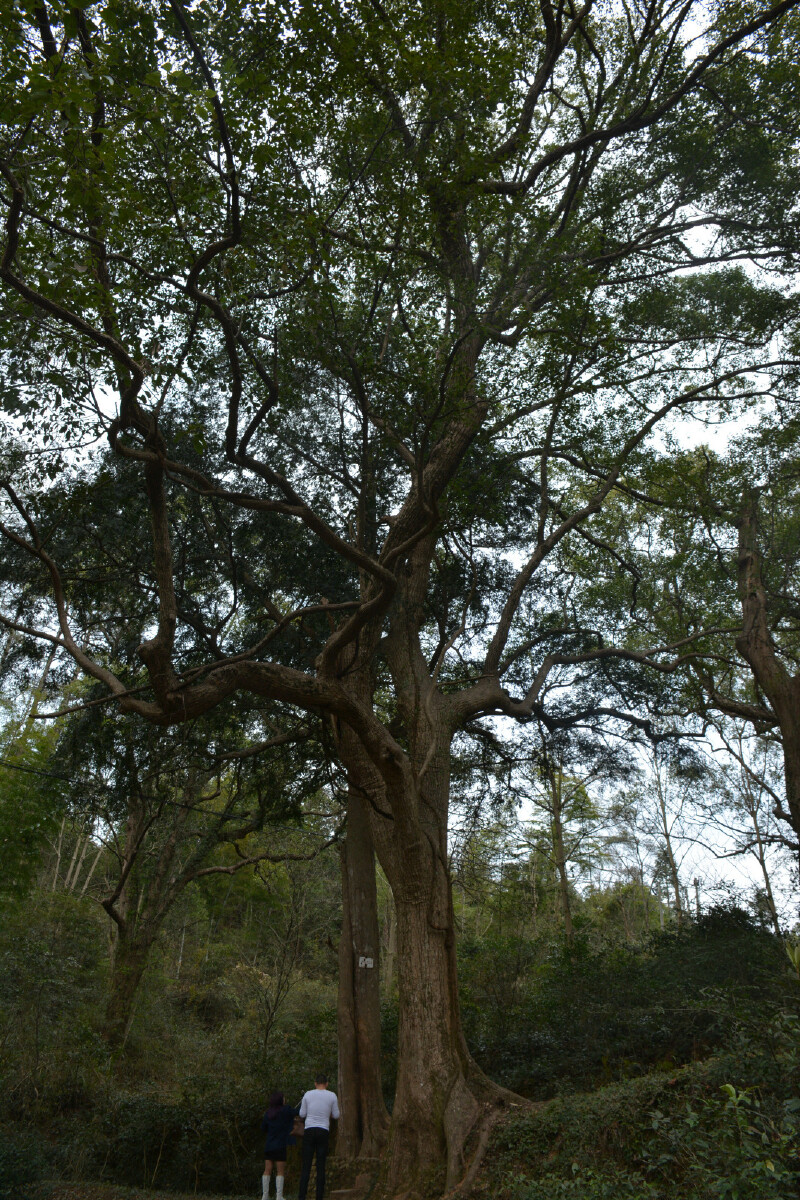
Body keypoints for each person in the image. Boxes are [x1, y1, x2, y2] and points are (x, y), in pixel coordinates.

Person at [297, 1073, 339, 1200]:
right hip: (323, 1130)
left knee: (306, 1165)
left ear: (315, 1083)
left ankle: (301, 1196)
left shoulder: (308, 1094)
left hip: (309, 1130)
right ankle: (319, 1196)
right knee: (321, 1165)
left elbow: (302, 1113)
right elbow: (336, 1115)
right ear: (326, 1084)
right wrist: (328, 1114)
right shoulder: (332, 1095)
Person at [261, 1090, 298, 1200]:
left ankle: (265, 1195)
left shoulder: (268, 1113)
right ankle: (279, 1196)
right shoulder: (286, 1110)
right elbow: (297, 1112)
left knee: (267, 1169)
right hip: (280, 1145)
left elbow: (263, 1128)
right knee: (280, 1171)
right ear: (281, 1100)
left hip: (269, 1145)